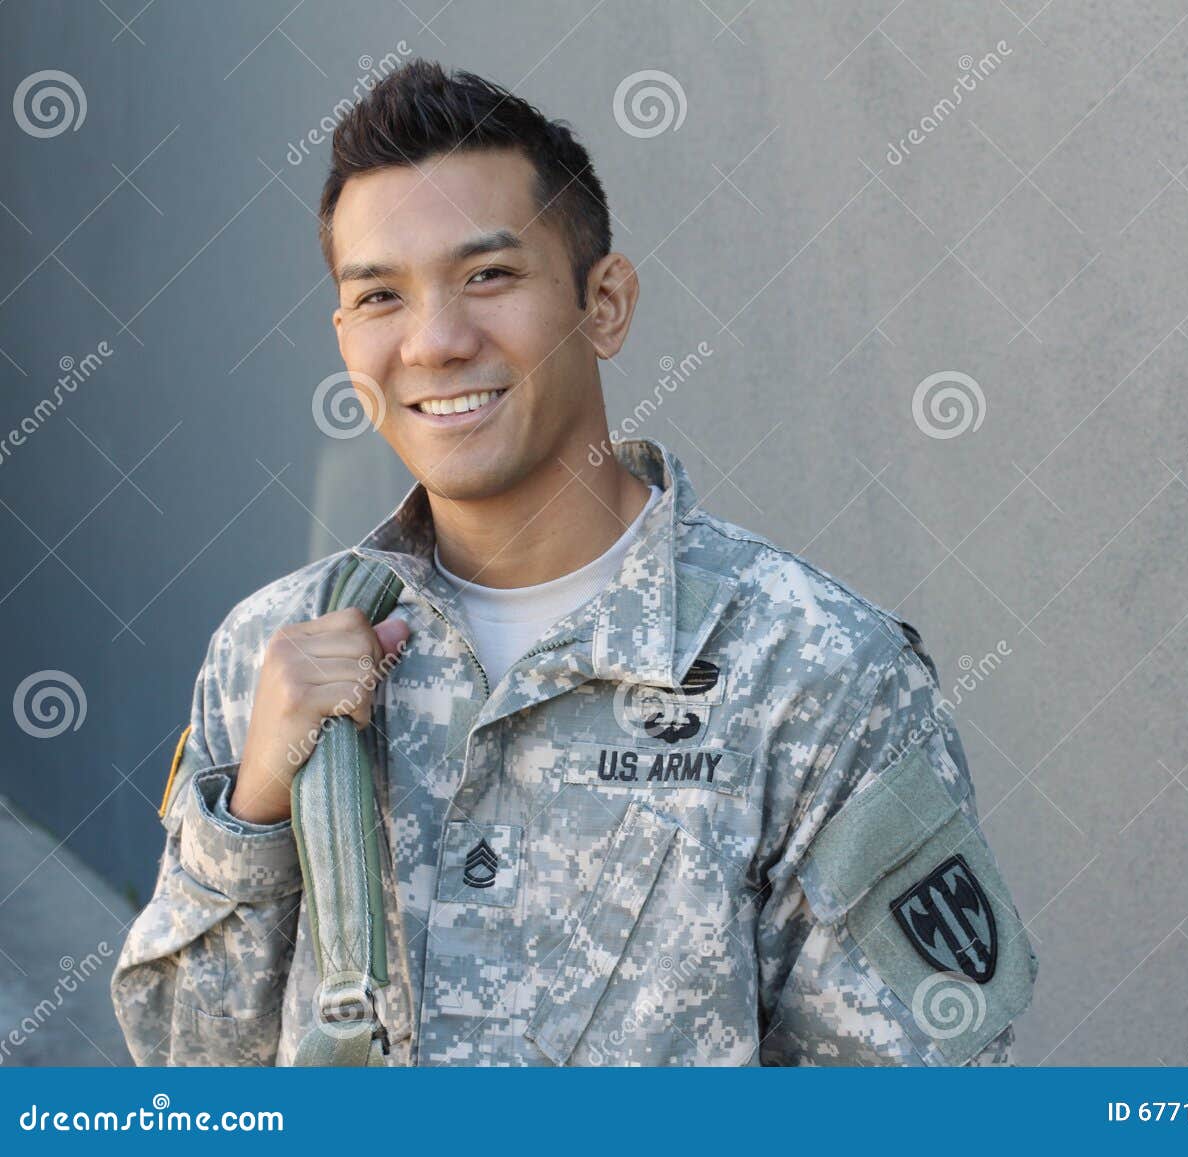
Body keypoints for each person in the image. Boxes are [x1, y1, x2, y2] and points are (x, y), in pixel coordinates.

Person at [110, 60, 1035, 1066]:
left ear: (604, 304)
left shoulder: (815, 672)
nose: (435, 340)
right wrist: (251, 811)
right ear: (345, 338)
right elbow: (185, 1074)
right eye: (380, 296)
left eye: (488, 276)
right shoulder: (268, 652)